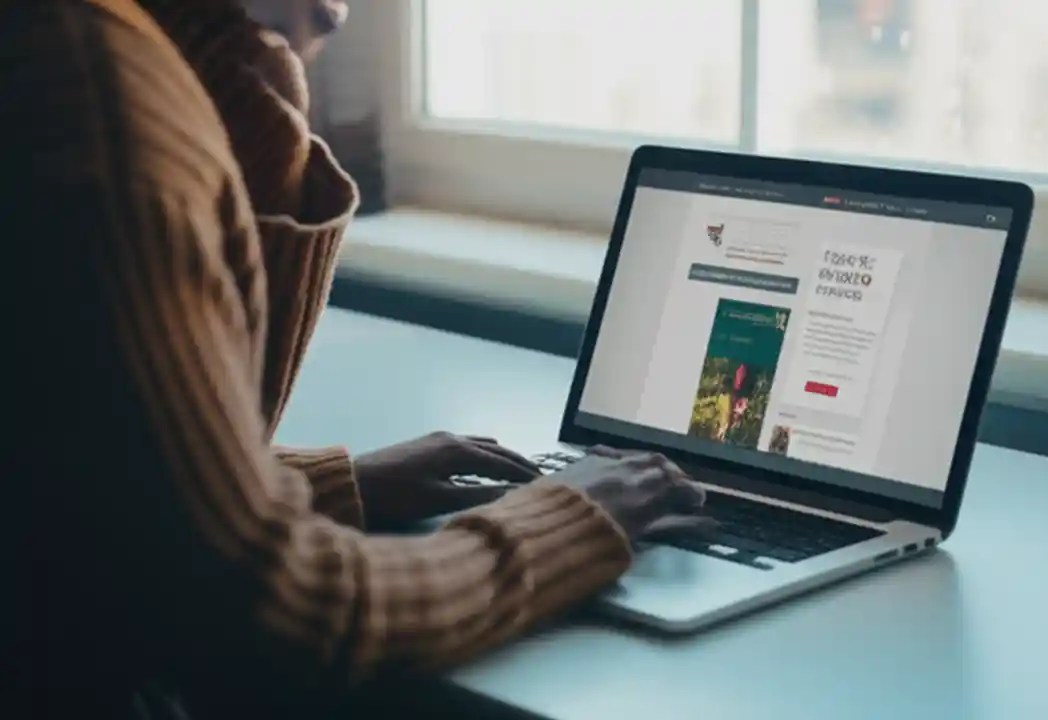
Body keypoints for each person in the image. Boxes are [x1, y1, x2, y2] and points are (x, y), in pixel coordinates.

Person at [5, 0, 710, 716]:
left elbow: (67, 479)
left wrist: (329, 488)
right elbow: (284, 618)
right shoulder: (91, 92)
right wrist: (571, 521)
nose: (337, 15)